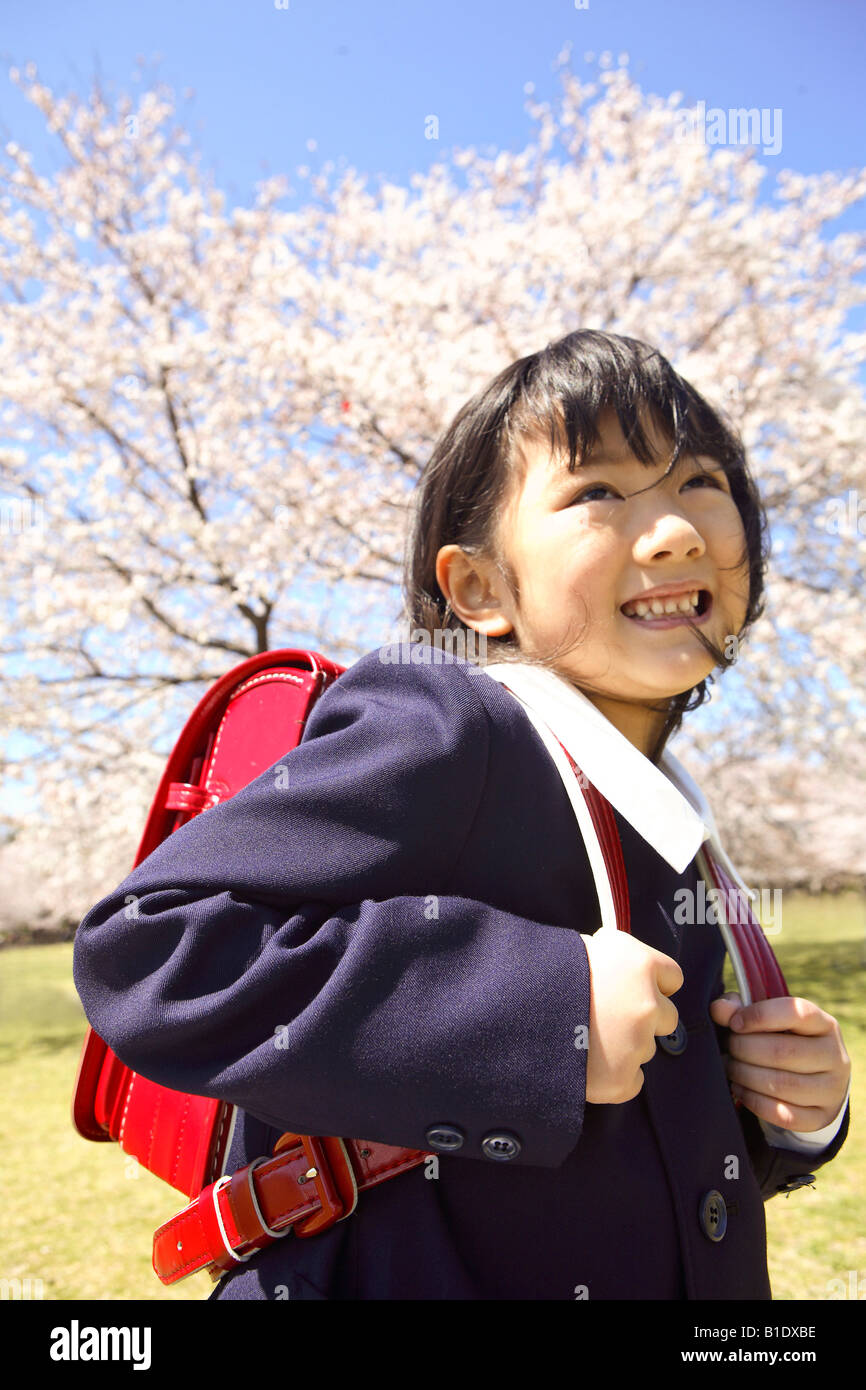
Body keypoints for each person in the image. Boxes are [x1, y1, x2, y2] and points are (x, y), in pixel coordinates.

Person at [72, 329, 851, 1301]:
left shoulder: (665, 802)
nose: (675, 530)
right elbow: (152, 949)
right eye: (598, 493)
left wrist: (782, 1115)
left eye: (699, 482)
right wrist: (545, 1013)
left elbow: (621, 1148)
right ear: (479, 588)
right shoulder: (450, 717)